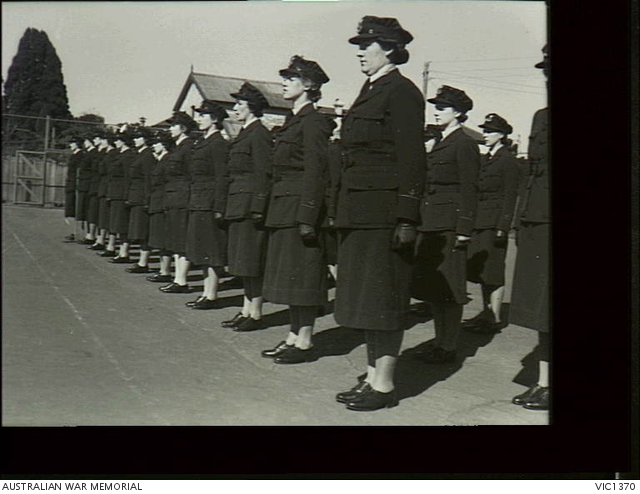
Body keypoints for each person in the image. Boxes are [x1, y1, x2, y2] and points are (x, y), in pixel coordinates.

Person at [332, 16, 425, 411]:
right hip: (359, 209)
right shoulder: (370, 90)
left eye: (366, 44)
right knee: (367, 299)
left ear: (388, 48)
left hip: (384, 211)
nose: (358, 51)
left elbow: (412, 158)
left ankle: (384, 385)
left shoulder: (402, 91)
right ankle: (372, 376)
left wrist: (407, 215)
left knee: (383, 299)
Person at [261, 55, 334, 363]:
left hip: (298, 212)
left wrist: (307, 214)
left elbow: (317, 171)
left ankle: (304, 341)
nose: (284, 82)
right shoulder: (294, 120)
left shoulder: (314, 121)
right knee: (291, 277)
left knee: (302, 278)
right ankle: (294, 335)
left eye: (291, 78)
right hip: (283, 208)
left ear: (309, 85)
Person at [411, 85, 480, 364]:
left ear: (459, 113)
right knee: (434, 290)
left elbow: (470, 188)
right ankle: (440, 342)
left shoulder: (464, 144)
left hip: (450, 225)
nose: (437, 112)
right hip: (431, 223)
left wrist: (464, 228)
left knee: (450, 290)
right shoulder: (441, 142)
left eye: (443, 108)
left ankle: (448, 347)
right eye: (436, 107)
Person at [509, 45, 550, 411]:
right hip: (538, 220)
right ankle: (545, 382)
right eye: (547, 71)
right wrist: (520, 220)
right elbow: (531, 174)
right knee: (542, 309)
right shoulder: (541, 116)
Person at [221, 82, 273, 331]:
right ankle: (246, 310)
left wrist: (258, 207)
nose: (235, 108)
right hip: (238, 203)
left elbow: (264, 173)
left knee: (252, 263)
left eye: (239, 104)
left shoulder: (259, 134)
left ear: (251, 107)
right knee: (243, 263)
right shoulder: (245, 133)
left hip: (250, 206)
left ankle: (256, 313)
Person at [463, 113, 520, 333]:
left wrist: (503, 227)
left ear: (503, 135)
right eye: (484, 131)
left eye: (490, 131)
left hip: (494, 223)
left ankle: (494, 318)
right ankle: (486, 315)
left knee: (493, 271)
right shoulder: (488, 158)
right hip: (481, 220)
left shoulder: (508, 160)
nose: (485, 135)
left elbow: (510, 195)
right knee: (483, 271)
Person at [183, 100, 230, 309]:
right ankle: (205, 292)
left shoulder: (218, 143)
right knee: (201, 249)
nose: (199, 119)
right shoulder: (202, 142)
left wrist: (219, 207)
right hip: (198, 201)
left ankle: (212, 295)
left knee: (212, 251)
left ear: (215, 120)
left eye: (203, 115)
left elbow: (222, 177)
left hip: (210, 203)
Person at [158, 112, 197, 293]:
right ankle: (177, 279)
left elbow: (191, 176)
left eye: (173, 126)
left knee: (181, 241)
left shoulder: (188, 147)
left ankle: (181, 280)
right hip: (173, 198)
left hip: (182, 198)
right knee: (175, 240)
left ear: (183, 128)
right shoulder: (178, 147)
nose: (170, 129)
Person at [125, 125, 156, 273]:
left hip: (142, 197)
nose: (135, 140)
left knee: (143, 231)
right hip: (136, 196)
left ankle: (143, 263)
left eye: (138, 137)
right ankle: (141, 262)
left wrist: (147, 199)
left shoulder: (147, 156)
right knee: (138, 230)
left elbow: (149, 179)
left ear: (145, 139)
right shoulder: (140, 154)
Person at [146, 131, 175, 283]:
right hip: (157, 201)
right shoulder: (161, 160)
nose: (153, 146)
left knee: (164, 239)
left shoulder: (167, 160)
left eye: (156, 143)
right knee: (159, 239)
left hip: (163, 202)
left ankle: (166, 271)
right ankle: (163, 270)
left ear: (164, 145)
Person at [108, 126, 136, 263]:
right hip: (116, 194)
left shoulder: (128, 156)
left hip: (121, 195)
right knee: (117, 224)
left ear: (124, 142)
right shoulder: (120, 154)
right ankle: (121, 252)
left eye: (118, 140)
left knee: (122, 225)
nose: (116, 143)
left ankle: (124, 252)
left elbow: (127, 177)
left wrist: (126, 196)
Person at [63, 135, 83, 242]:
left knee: (74, 208)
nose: (70, 145)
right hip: (70, 184)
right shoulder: (74, 155)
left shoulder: (80, 155)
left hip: (75, 184)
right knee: (70, 209)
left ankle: (76, 233)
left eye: (72, 143)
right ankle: (72, 232)